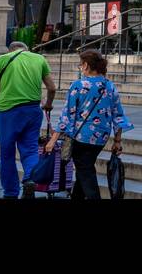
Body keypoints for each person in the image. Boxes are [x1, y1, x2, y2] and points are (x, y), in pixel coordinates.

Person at [43, 50, 133, 200]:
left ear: (86, 65)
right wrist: (117, 140)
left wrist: (53, 139)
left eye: (80, 65)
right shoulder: (109, 86)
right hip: (101, 138)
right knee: (84, 169)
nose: (80, 68)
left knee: (85, 171)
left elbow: (67, 116)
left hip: (82, 137)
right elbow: (118, 115)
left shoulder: (78, 85)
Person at [0, 40, 56, 199]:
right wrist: (48, 104)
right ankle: (29, 179)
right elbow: (52, 88)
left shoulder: (2, 60)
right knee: (30, 149)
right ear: (26, 49)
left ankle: (10, 193)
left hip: (8, 112)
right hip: (32, 110)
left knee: (7, 154)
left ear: (11, 50)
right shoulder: (39, 59)